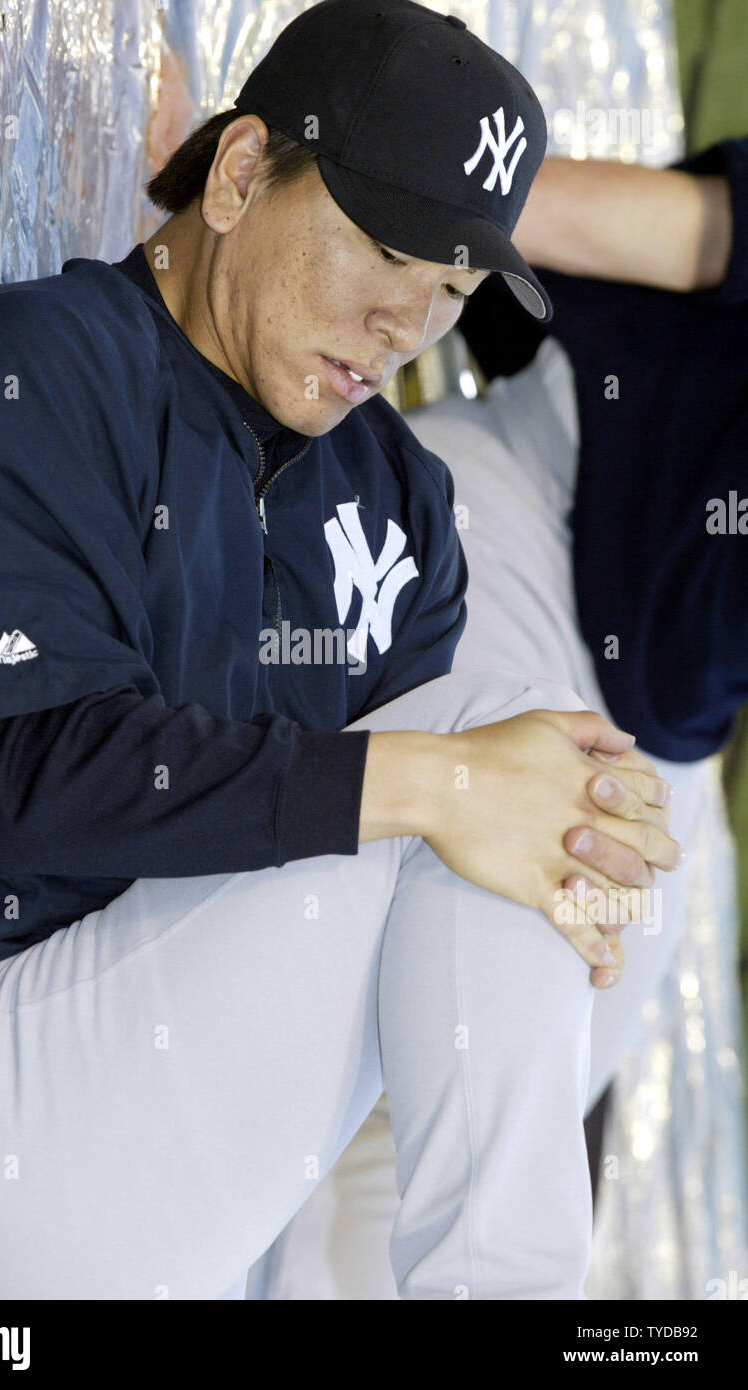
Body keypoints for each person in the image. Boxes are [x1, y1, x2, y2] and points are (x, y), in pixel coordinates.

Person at [0, 0, 681, 1300]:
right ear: (241, 172)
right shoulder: (24, 371)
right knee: (475, 758)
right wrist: (443, 783)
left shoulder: (396, 500)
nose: (404, 322)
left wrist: (553, 831)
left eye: (453, 290)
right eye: (384, 248)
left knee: (538, 769)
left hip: (140, 1118)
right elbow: (33, 784)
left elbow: (431, 854)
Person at [247, 130, 746, 1299]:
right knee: (485, 1018)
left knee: (556, 1054)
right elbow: (509, 205)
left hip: (655, 711)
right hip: (522, 513)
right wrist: (269, 178)